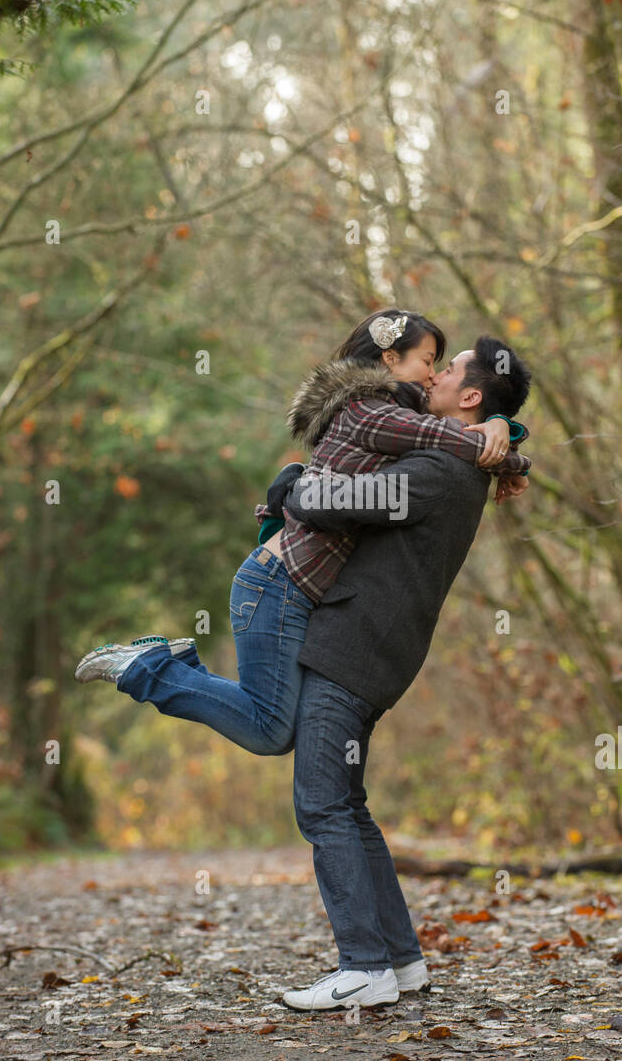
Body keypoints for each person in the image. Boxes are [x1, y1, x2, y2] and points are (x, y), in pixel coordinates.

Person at [74, 312, 531, 760]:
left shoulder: (392, 414)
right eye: (428, 360)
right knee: (271, 731)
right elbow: (456, 440)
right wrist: (504, 443)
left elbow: (446, 435)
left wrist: (505, 436)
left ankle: (175, 667)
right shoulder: (368, 412)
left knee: (277, 726)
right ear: (390, 361)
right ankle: (143, 669)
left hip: (290, 584)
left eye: (440, 366)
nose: (432, 376)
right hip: (279, 583)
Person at [272, 335, 532, 1010]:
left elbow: (332, 505)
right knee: (349, 808)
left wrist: (294, 485)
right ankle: (400, 960)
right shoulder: (460, 461)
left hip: (352, 648)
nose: (435, 375)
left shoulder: (438, 473)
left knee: (322, 804)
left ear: (470, 395)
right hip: (378, 651)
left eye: (448, 370)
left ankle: (361, 968)